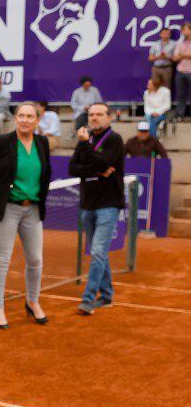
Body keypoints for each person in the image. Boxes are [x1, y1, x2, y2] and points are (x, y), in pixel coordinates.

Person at [0, 102, 51, 330]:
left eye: (30, 116)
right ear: (15, 118)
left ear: (37, 120)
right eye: (21, 115)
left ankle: (32, 301)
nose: (25, 120)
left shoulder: (42, 142)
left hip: (33, 209)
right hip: (7, 208)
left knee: (35, 259)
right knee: (2, 258)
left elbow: (45, 173)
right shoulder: (2, 142)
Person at [68, 102, 125, 316]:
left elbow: (106, 162)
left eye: (99, 114)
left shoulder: (114, 139)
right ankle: (107, 295)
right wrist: (96, 169)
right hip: (87, 203)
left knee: (98, 251)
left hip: (108, 204)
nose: (94, 118)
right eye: (91, 114)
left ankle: (88, 299)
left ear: (108, 117)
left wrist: (88, 152)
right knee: (98, 252)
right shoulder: (85, 140)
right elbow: (73, 168)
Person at [172, 21, 191, 121]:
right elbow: (175, 58)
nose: (183, 32)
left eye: (184, 30)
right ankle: (180, 115)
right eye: (182, 30)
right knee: (181, 95)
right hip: (180, 71)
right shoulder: (179, 43)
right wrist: (185, 55)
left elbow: (180, 55)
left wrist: (182, 55)